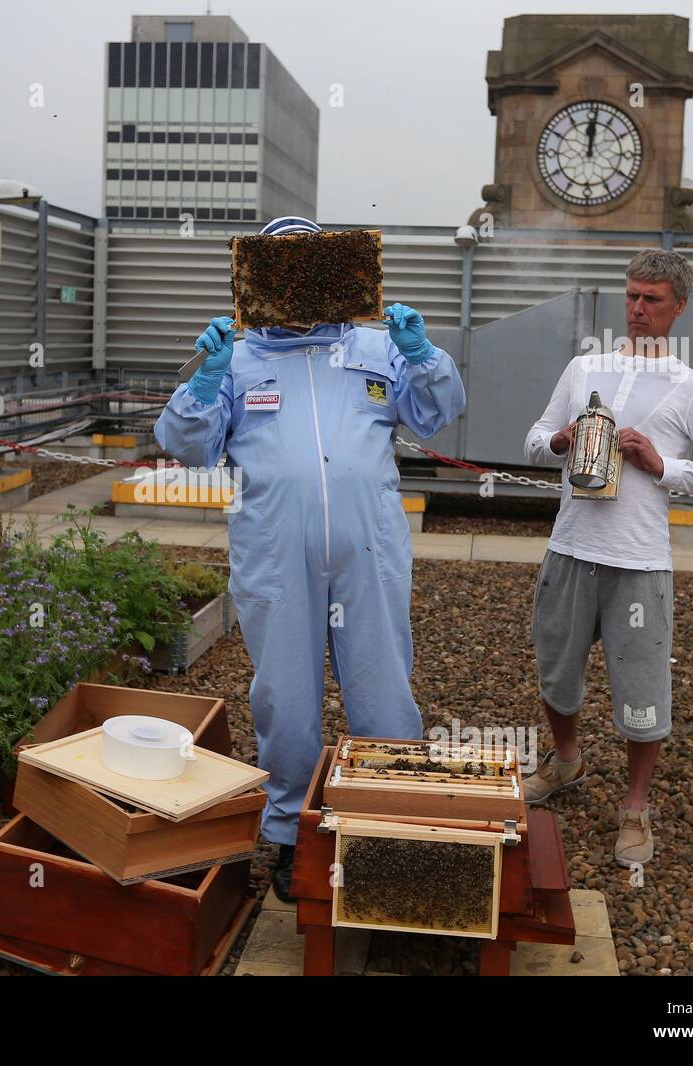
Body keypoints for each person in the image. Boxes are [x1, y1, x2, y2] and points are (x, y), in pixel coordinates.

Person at [154, 216, 466, 900]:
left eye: (308, 265)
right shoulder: (236, 361)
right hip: (274, 558)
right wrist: (202, 384)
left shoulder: (376, 348)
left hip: (369, 554)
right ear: (258, 277)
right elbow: (187, 448)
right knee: (285, 700)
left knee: (383, 688)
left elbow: (438, 412)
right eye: (282, 267)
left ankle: (389, 822)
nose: (298, 283)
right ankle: (291, 834)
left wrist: (423, 354)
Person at [522, 248, 693, 866]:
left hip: (639, 561)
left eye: (652, 299)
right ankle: (567, 761)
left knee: (643, 687)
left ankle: (635, 807)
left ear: (678, 306)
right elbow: (534, 440)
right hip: (570, 547)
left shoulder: (691, 388)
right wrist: (561, 440)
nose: (638, 309)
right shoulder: (583, 367)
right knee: (556, 669)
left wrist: (663, 465)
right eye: (631, 296)